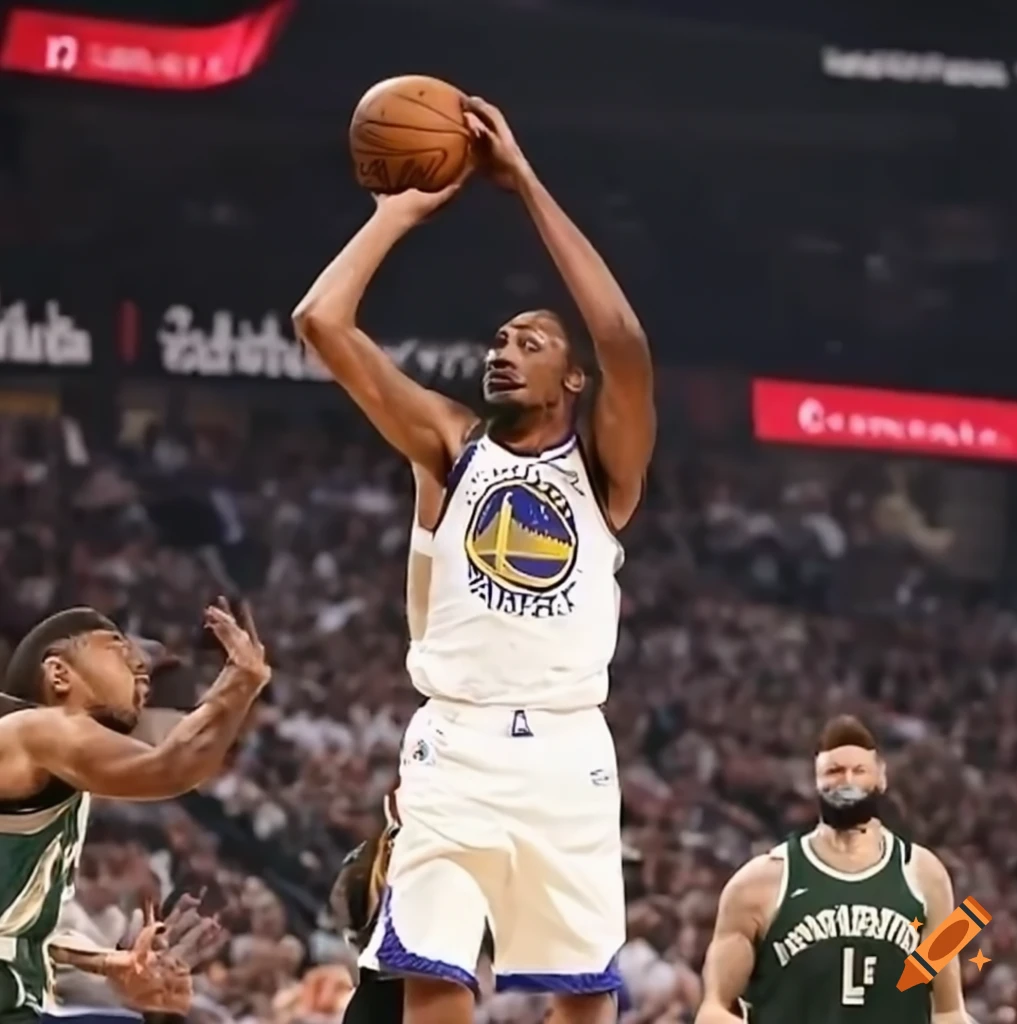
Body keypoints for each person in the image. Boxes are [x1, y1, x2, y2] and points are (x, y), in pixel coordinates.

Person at [294, 96, 654, 1024]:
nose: (504, 352)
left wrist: (524, 182)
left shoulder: (604, 469)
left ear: (571, 382)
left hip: (571, 747)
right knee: (434, 974)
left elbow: (622, 339)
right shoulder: (452, 446)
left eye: (530, 343)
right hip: (454, 741)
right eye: (498, 340)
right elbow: (321, 323)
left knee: (580, 994)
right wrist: (397, 212)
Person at [0, 600, 270, 1021]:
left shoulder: (55, 779)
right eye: (116, 647)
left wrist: (109, 962)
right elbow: (169, 767)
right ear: (58, 674)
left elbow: (19, 928)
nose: (138, 662)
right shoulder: (39, 730)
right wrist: (241, 681)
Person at [695, 715, 971, 1024]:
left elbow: (949, 1011)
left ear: (881, 776)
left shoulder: (928, 875)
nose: (847, 782)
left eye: (859, 771)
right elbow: (713, 1010)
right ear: (816, 780)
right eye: (835, 771)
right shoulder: (756, 883)